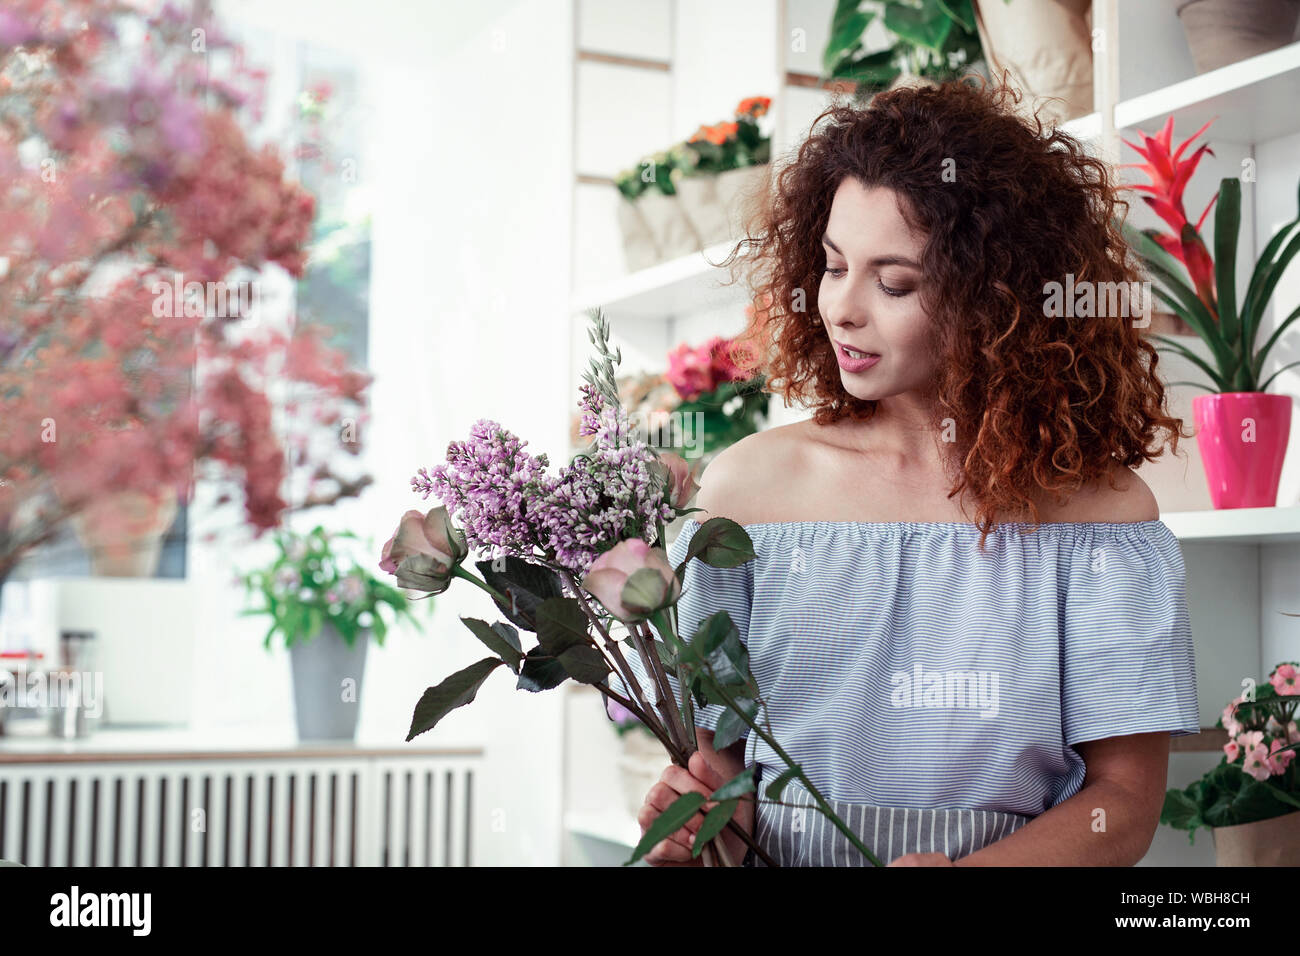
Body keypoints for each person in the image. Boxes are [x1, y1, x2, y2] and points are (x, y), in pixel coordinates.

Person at [605, 76, 1200, 867]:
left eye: (895, 283)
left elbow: (1123, 803)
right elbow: (724, 762)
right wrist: (697, 810)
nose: (843, 309)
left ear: (996, 299)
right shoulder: (745, 497)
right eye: (831, 264)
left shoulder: (1101, 524)